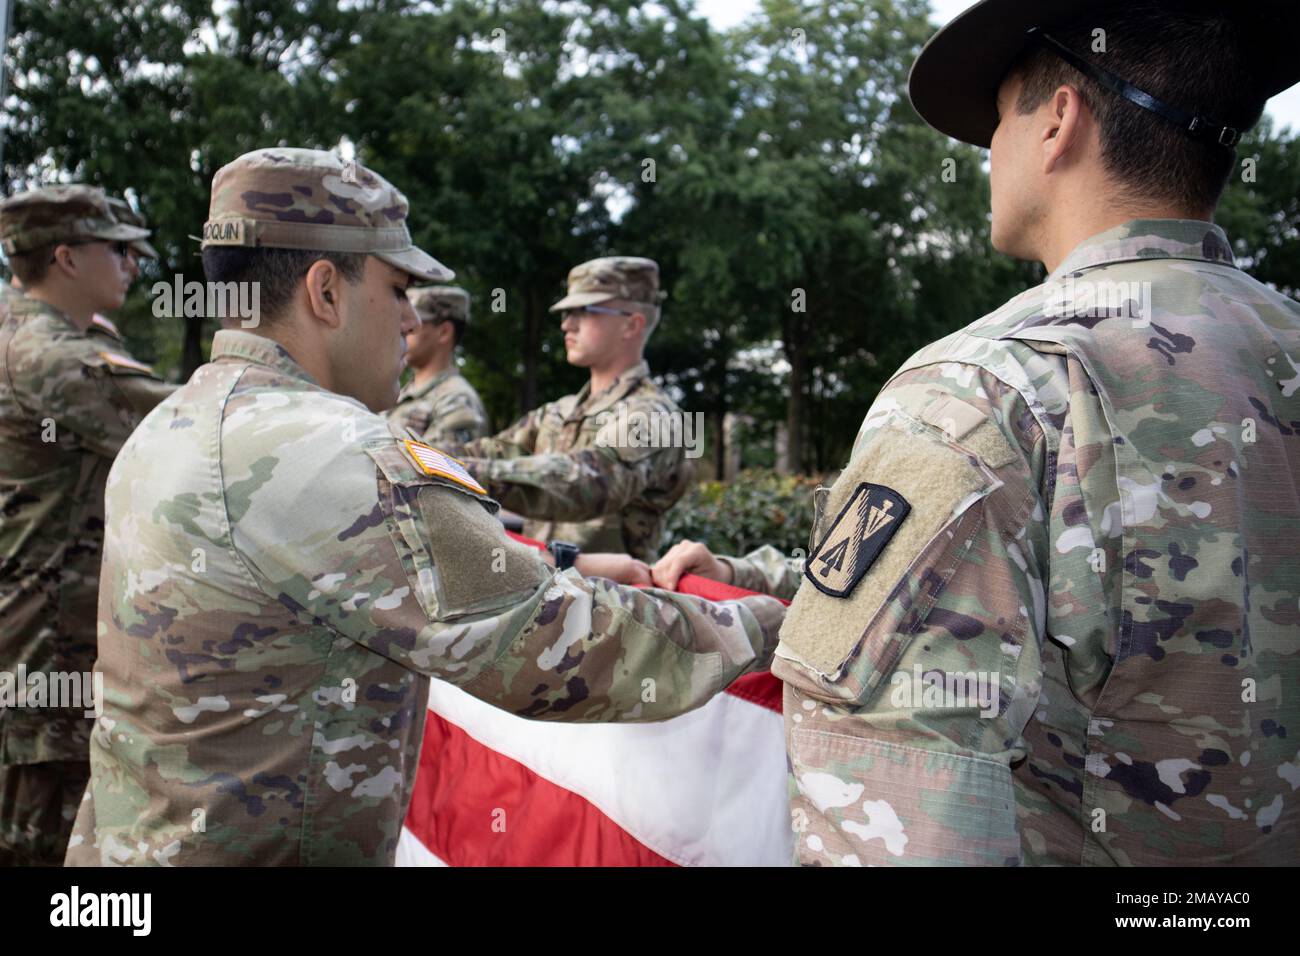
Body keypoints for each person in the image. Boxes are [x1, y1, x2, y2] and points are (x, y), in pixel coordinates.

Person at [654, 0, 1300, 865]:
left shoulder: (987, 388)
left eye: (997, 120)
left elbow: (898, 811)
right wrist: (740, 576)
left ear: (1058, 122)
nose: (988, 153)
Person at [64, 148, 784, 866]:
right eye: (399, 287)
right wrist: (773, 622)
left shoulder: (170, 424)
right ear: (325, 291)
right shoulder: (341, 454)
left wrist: (562, 557)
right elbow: (564, 646)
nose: (410, 319)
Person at [0, 185, 164, 865]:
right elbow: (189, 433)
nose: (133, 263)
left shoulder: (38, 334)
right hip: (46, 653)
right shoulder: (53, 359)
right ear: (67, 257)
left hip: (37, 640)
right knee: (45, 848)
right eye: (118, 249)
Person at [453, 257, 693, 562]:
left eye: (587, 311)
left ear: (631, 324)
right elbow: (493, 451)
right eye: (568, 312)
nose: (567, 324)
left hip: (613, 601)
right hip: (548, 592)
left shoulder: (655, 416)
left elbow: (589, 482)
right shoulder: (560, 411)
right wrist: (417, 453)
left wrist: (458, 471)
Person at [387, 285, 490, 446]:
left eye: (415, 322)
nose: (403, 329)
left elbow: (438, 469)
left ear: (444, 332)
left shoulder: (457, 401)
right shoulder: (402, 392)